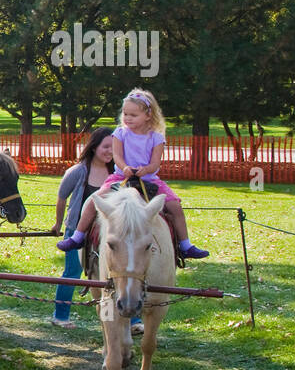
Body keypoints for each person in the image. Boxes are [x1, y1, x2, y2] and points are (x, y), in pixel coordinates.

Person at [57, 88, 208, 258]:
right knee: (94, 200)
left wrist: (146, 170)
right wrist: (125, 168)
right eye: (125, 114)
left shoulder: (156, 138)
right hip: (121, 176)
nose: (127, 118)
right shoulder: (120, 134)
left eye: (133, 115)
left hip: (149, 178)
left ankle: (185, 245)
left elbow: (155, 162)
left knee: (175, 206)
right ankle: (78, 236)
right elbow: (118, 156)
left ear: (148, 116)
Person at [49, 127, 139, 333]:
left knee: (109, 277)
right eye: (105, 146)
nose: (109, 151)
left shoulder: (117, 172)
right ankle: (60, 316)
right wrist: (58, 224)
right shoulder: (78, 171)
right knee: (72, 272)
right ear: (94, 147)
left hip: (108, 233)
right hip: (79, 231)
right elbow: (62, 197)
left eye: (113, 148)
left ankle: (128, 321)